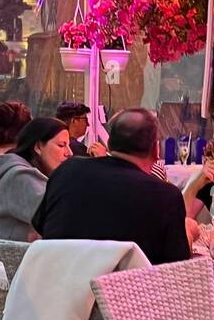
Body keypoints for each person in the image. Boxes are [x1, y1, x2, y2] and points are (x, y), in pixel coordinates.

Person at [33, 107, 191, 266]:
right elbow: (176, 268)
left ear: (109, 143)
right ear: (156, 150)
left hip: (54, 284)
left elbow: (41, 229)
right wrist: (189, 233)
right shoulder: (165, 196)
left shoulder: (66, 171)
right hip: (124, 289)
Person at [0, 116, 71, 264]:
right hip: (6, 261)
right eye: (61, 145)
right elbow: (56, 217)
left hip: (21, 255)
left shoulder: (26, 172)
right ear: (38, 147)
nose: (69, 152)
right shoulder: (20, 176)